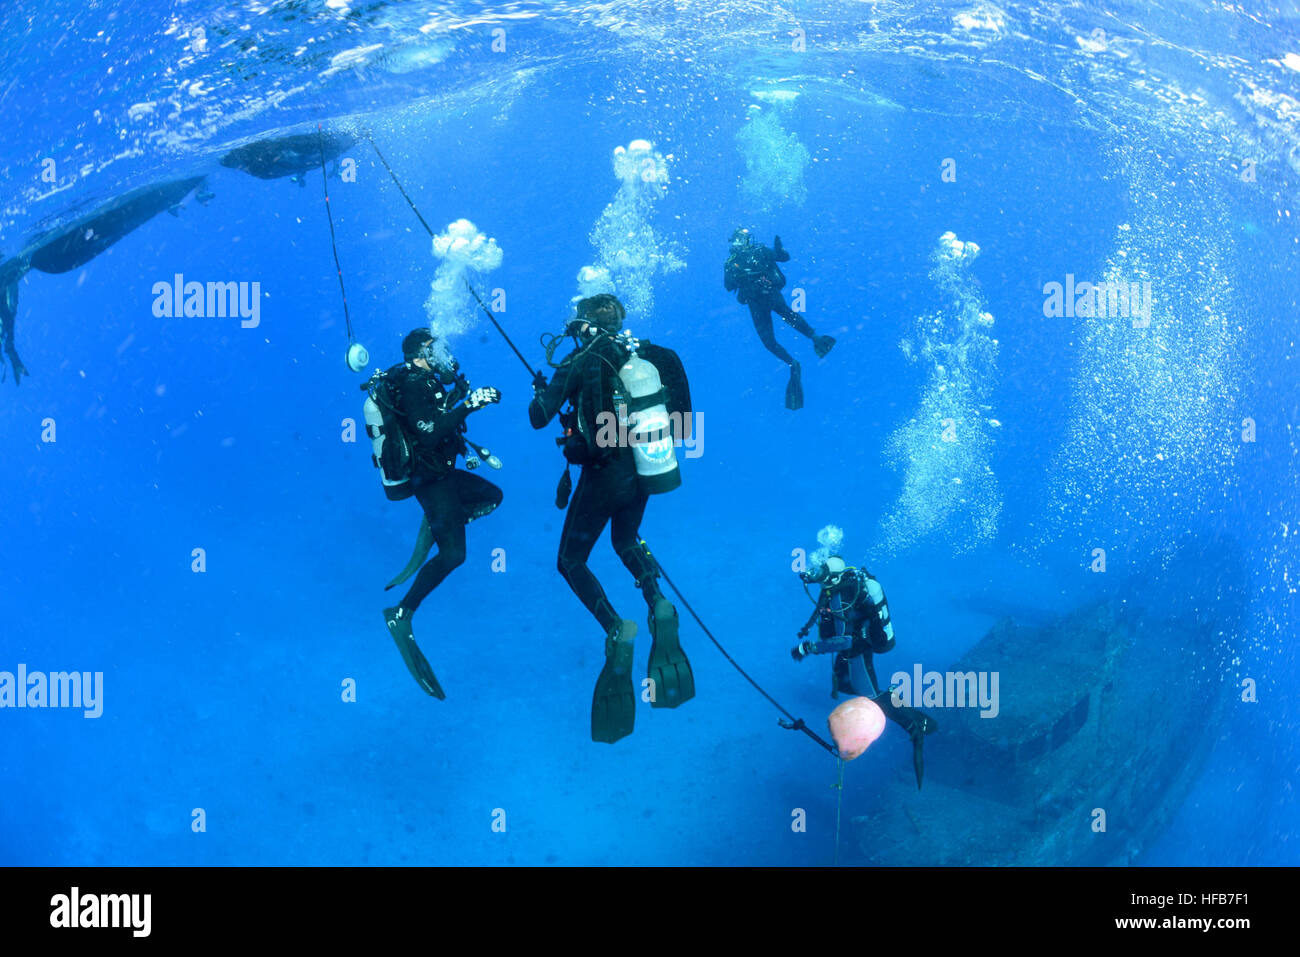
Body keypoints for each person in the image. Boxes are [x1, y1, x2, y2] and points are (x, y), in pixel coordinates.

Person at [529, 293, 694, 743]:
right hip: (647, 468)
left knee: (570, 561)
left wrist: (546, 394)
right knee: (627, 539)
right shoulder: (655, 354)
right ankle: (658, 602)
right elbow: (684, 423)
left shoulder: (582, 359)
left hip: (604, 476)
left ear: (582, 325)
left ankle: (616, 628)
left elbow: (538, 418)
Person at [378, 328, 503, 698]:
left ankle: (440, 523)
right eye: (435, 349)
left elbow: (437, 417)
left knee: (492, 495)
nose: (442, 354)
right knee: (454, 555)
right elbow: (430, 431)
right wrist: (471, 403)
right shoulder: (414, 384)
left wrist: (460, 396)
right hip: (430, 480)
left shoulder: (424, 381)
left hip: (443, 472)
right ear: (419, 354)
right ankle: (401, 613)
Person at [790, 555, 937, 788]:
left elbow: (844, 641)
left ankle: (918, 724)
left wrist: (809, 648)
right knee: (853, 686)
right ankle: (894, 703)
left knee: (870, 696)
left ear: (833, 578)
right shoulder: (840, 588)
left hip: (857, 649)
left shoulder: (840, 597)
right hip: (858, 643)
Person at [723, 227, 835, 410]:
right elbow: (728, 286)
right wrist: (734, 272)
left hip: (768, 295)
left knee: (788, 317)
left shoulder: (760, 251)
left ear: (748, 240)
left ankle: (816, 339)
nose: (738, 242)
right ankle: (793, 363)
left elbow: (783, 258)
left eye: (741, 239)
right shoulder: (731, 262)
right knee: (770, 340)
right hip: (755, 301)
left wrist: (780, 250)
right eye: (736, 239)